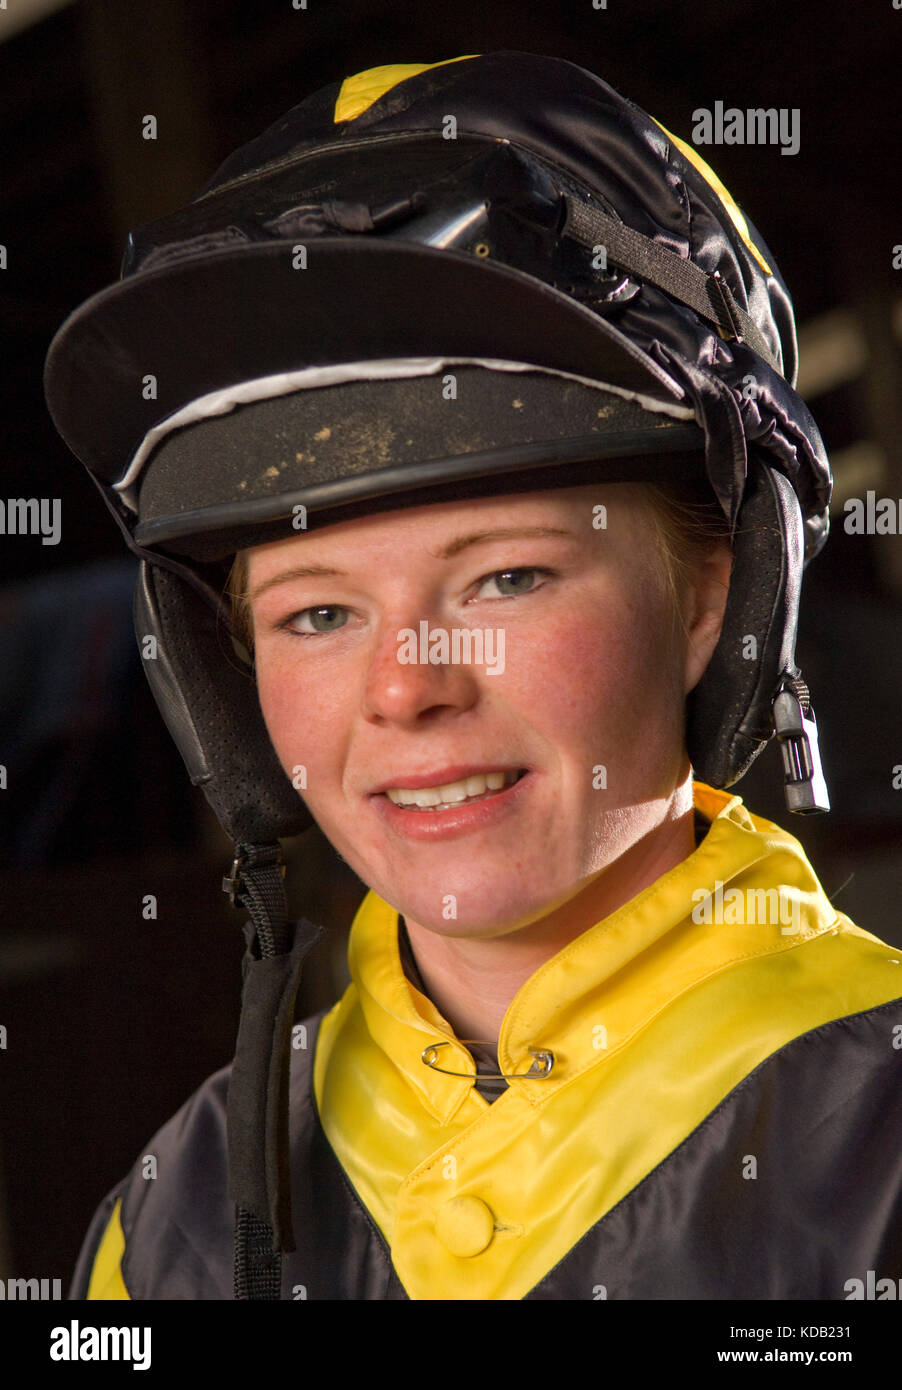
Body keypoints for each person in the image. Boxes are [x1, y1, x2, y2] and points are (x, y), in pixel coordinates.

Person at [45, 52, 902, 1301]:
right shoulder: (170, 1222)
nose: (405, 688)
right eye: (320, 611)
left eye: (505, 580)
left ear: (712, 593)